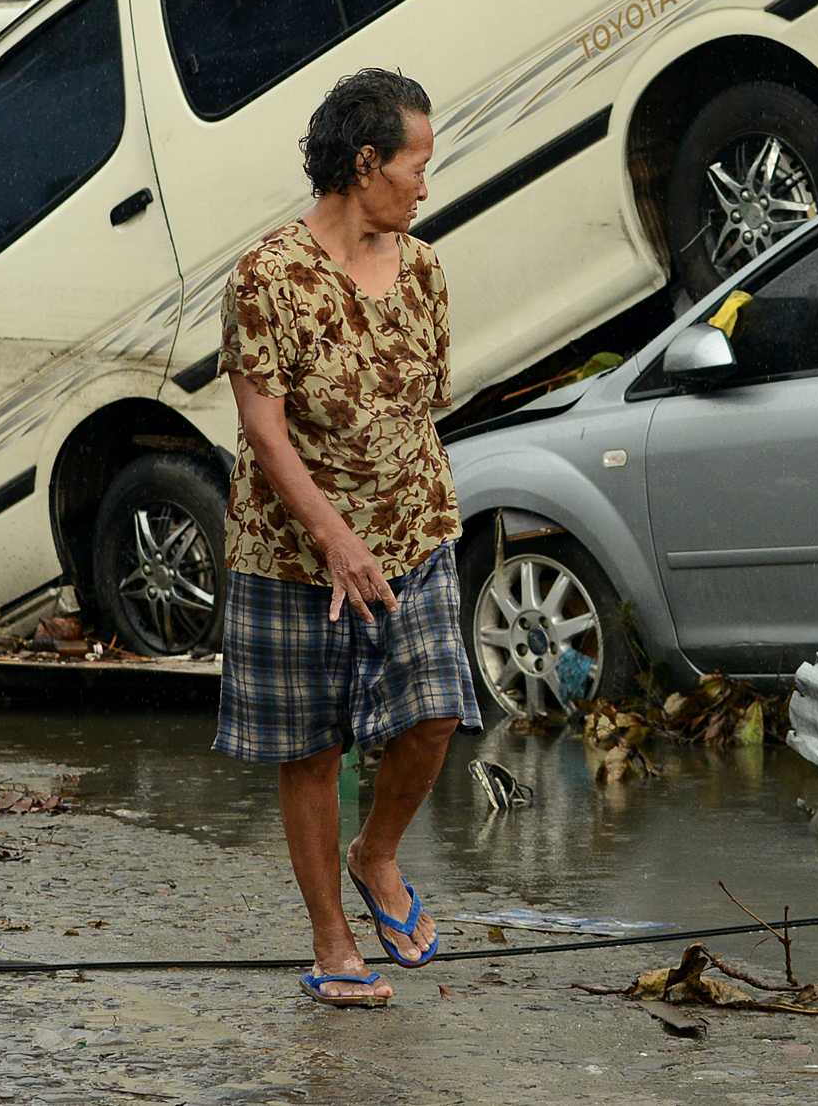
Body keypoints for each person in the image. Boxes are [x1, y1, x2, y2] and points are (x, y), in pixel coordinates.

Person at [212, 67, 479, 1008]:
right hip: (295, 552)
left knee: (438, 712)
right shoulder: (267, 277)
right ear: (365, 164)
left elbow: (419, 410)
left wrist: (401, 521)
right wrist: (332, 535)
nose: (424, 184)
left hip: (413, 533)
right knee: (314, 748)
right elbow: (262, 424)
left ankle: (379, 854)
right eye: (415, 165)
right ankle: (332, 941)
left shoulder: (427, 269)